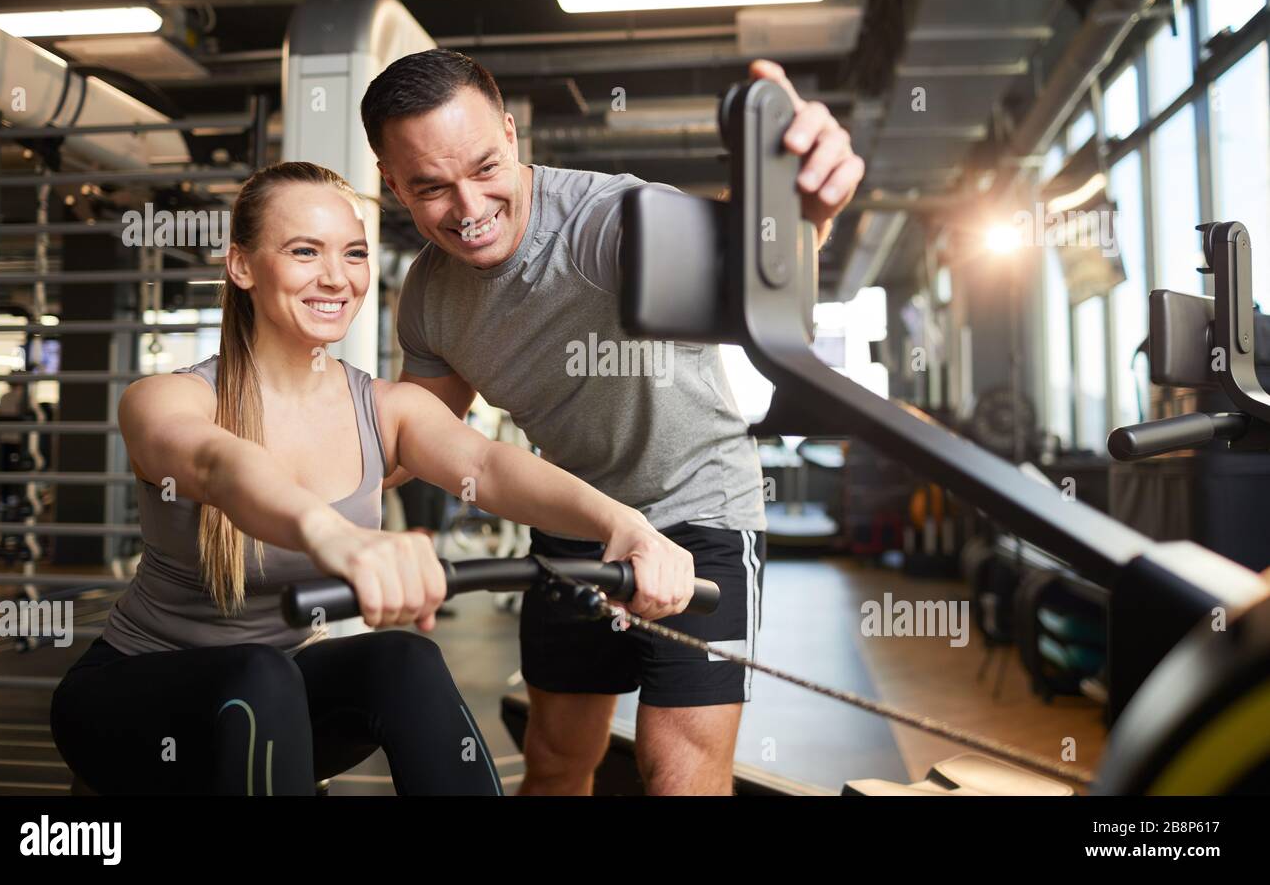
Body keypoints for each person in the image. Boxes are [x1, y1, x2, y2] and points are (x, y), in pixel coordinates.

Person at [49, 161, 695, 796]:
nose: (337, 276)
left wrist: (624, 525)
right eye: (305, 251)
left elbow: (488, 465)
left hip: (278, 705)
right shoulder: (165, 400)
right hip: (132, 704)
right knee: (259, 676)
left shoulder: (385, 409)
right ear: (241, 264)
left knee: (403, 661)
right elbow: (221, 467)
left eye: (354, 253)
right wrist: (335, 537)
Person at [361, 51, 864, 795]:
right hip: (574, 527)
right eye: (431, 187)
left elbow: (752, 274)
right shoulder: (431, 295)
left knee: (678, 773)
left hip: (700, 516)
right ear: (390, 181)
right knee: (557, 762)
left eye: (486, 167)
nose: (468, 207)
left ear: (510, 130)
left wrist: (797, 205)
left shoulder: (611, 224)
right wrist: (288, 475)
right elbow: (414, 434)